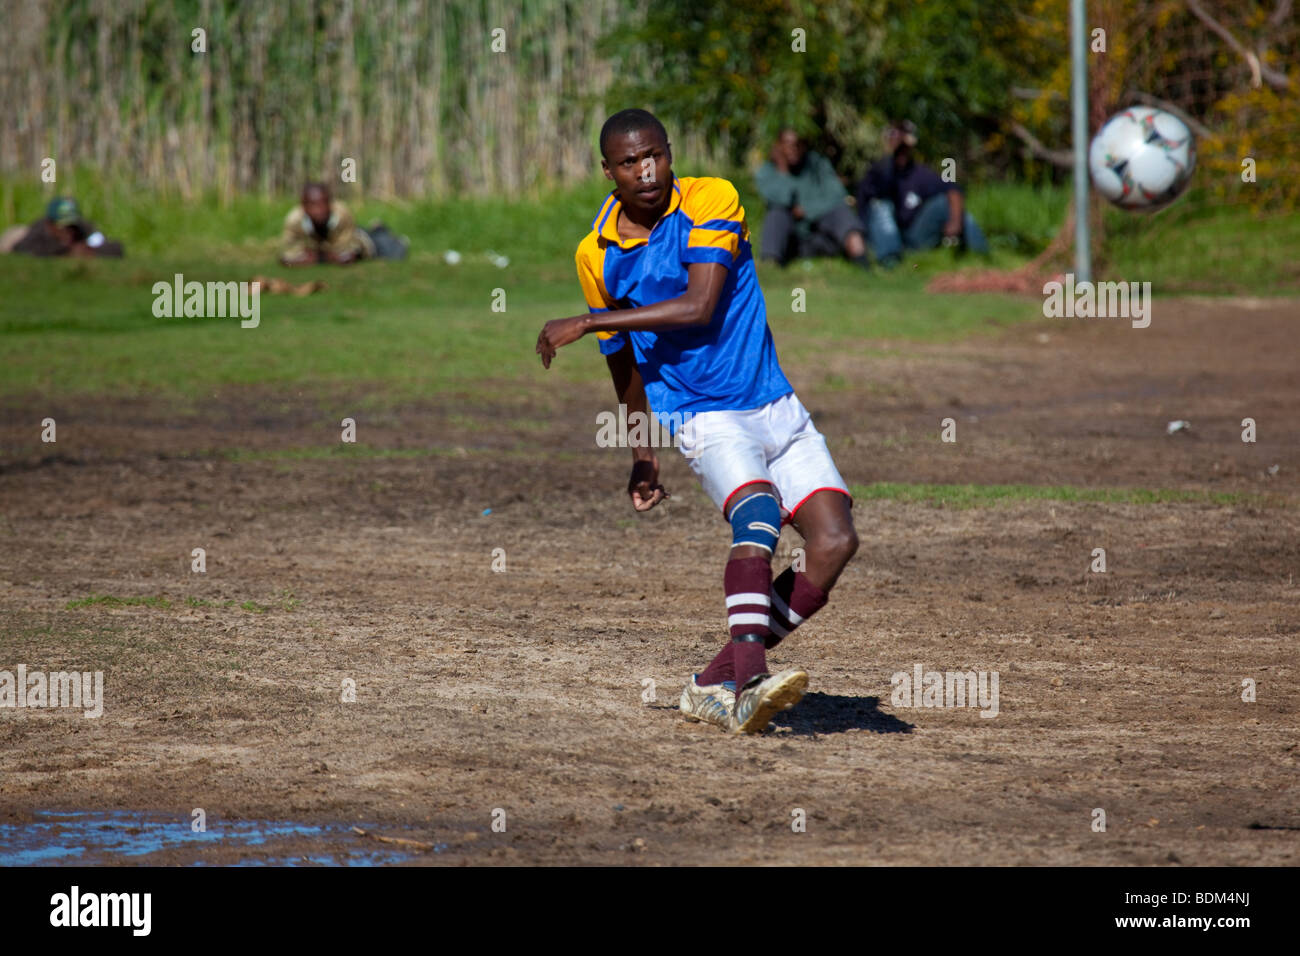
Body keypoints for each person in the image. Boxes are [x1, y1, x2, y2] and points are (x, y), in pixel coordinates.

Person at [535, 109, 859, 734]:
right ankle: (749, 680)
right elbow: (624, 369)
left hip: (773, 401)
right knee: (759, 516)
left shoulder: (714, 196)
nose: (646, 169)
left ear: (670, 151)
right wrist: (644, 452)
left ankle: (717, 678)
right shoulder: (596, 254)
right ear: (608, 171)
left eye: (654, 154)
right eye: (630, 162)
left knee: (834, 542)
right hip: (702, 415)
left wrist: (589, 320)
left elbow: (701, 304)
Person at [856, 120, 989, 267]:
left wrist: (955, 221)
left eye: (904, 146)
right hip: (876, 238)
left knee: (946, 204)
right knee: (882, 206)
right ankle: (890, 263)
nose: (901, 151)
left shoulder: (919, 173)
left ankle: (982, 259)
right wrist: (891, 151)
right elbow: (883, 181)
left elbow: (953, 190)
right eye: (896, 143)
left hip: (912, 237)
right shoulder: (876, 170)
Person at [755, 128, 871, 270]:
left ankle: (861, 261)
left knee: (841, 212)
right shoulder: (768, 171)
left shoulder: (816, 164)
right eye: (788, 144)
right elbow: (781, 198)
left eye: (797, 144)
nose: (793, 149)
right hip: (793, 239)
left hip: (823, 235)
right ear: (778, 146)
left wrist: (807, 210)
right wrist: (783, 172)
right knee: (776, 214)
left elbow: (837, 195)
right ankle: (770, 264)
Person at [279, 183, 375, 265]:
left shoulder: (342, 214)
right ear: (303, 206)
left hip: (365, 238)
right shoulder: (294, 220)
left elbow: (349, 250)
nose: (320, 209)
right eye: (313, 204)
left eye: (324, 203)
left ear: (330, 203)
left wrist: (315, 256)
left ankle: (377, 228)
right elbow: (286, 255)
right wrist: (327, 256)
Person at [9, 197, 124, 258]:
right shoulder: (40, 230)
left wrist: (90, 251)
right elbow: (20, 249)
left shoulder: (83, 229)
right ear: (50, 225)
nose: (68, 231)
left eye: (71, 226)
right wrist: (66, 251)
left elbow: (114, 247)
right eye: (62, 227)